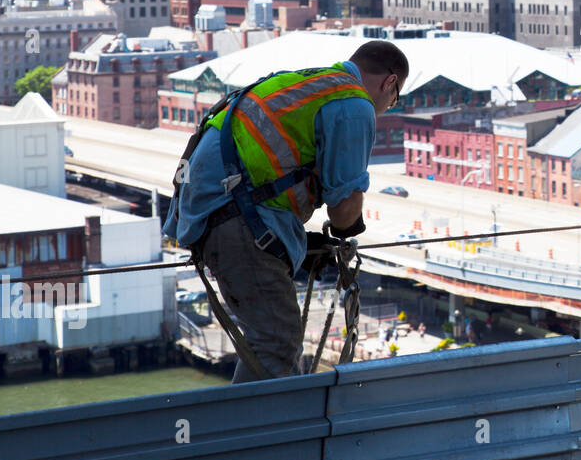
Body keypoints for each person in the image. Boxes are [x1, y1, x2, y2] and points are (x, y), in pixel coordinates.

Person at [164, 40, 409, 383]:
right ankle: (258, 435)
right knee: (276, 342)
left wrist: (297, 242)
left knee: (269, 343)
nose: (386, 108)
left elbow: (270, 170)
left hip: (212, 212)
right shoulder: (354, 103)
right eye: (393, 100)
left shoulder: (309, 83)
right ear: (389, 83)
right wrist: (346, 232)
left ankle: (251, 430)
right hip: (236, 215)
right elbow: (344, 207)